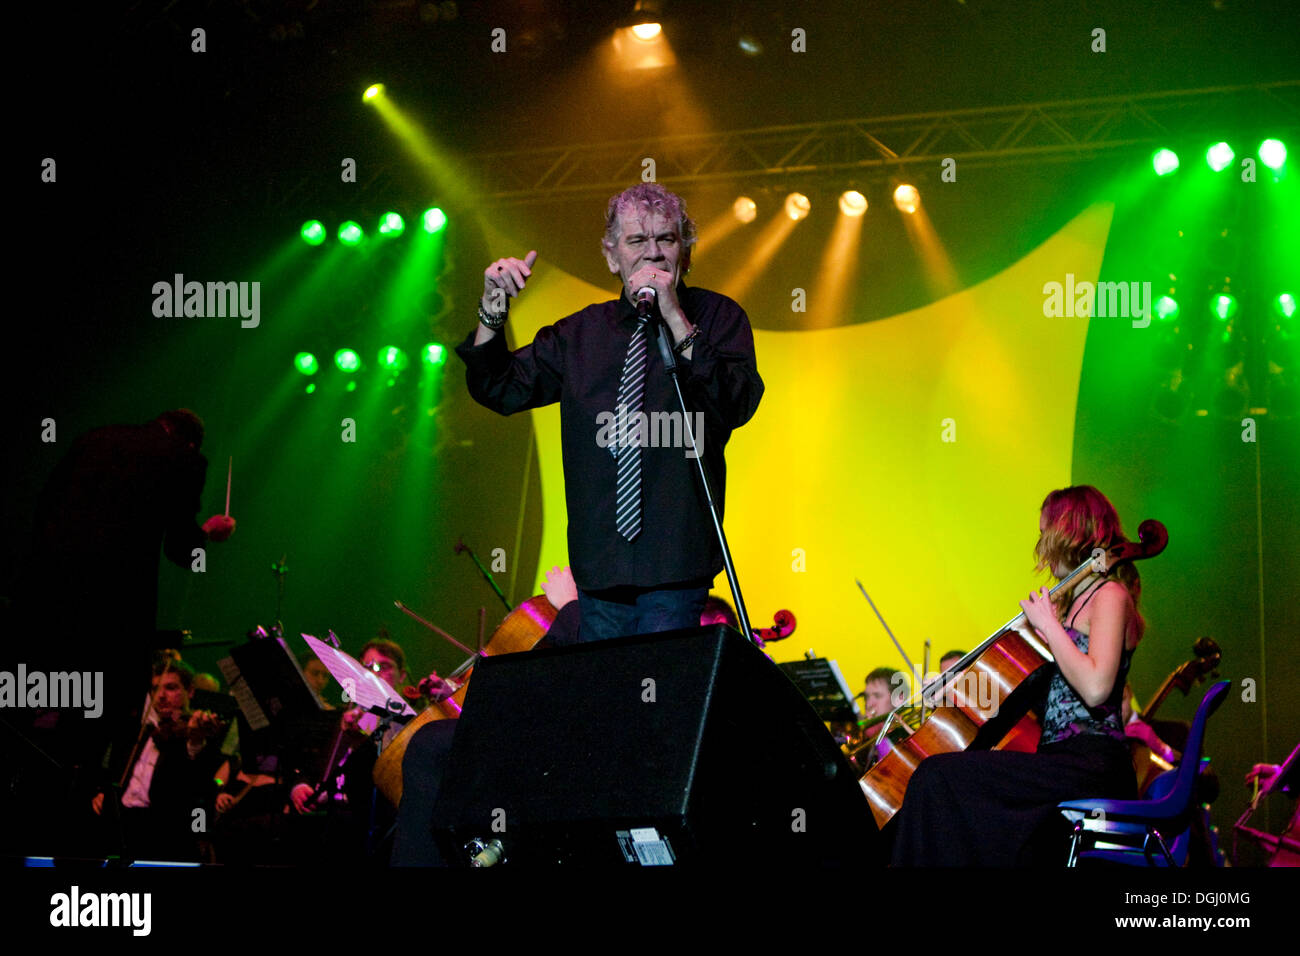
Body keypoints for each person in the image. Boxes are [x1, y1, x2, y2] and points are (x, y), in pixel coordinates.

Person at [456, 183, 763, 641]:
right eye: (637, 241)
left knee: (658, 700)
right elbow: (499, 388)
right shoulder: (579, 335)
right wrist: (492, 311)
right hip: (599, 569)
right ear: (611, 255)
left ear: (687, 251)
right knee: (608, 704)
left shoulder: (718, 318)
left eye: (667, 239)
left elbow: (735, 403)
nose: (654, 254)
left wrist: (676, 317)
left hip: (675, 564)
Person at [891, 485, 1145, 866]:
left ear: (1067, 533)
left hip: (1094, 763)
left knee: (938, 779)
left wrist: (1049, 625)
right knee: (940, 784)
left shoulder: (1109, 595)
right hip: (1056, 762)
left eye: (1045, 533)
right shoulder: (1068, 605)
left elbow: (1095, 689)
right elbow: (1013, 696)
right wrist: (954, 688)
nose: (1040, 546)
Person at [90, 660, 227, 861]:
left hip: (161, 827)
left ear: (189, 691)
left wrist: (196, 738)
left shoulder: (192, 733)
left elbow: (198, 785)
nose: (161, 696)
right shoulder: (141, 730)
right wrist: (103, 792)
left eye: (171, 688)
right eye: (155, 689)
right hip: (122, 821)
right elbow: (115, 768)